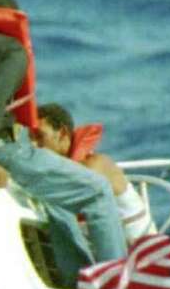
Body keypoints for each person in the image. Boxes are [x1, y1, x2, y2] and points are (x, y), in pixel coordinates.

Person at [0, 0, 126, 287]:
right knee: (97, 191)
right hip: (1, 150)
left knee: (57, 197)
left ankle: (78, 281)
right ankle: (116, 286)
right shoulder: (12, 50)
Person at [33, 103, 153, 245]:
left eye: (40, 136)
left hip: (140, 249)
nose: (34, 145)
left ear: (63, 133)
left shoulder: (96, 164)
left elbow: (66, 187)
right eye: (31, 139)